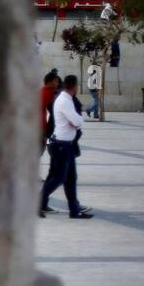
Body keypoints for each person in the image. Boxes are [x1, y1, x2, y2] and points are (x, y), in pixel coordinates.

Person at [40, 74, 92, 220]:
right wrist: (78, 121)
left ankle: (74, 210)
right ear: (75, 87)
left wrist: (76, 121)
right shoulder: (64, 100)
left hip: (64, 144)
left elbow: (75, 122)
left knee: (70, 179)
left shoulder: (64, 98)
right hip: (61, 145)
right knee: (59, 177)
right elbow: (77, 121)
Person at [39, 71, 60, 156]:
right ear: (49, 82)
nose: (57, 84)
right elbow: (54, 112)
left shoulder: (43, 91)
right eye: (56, 81)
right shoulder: (48, 93)